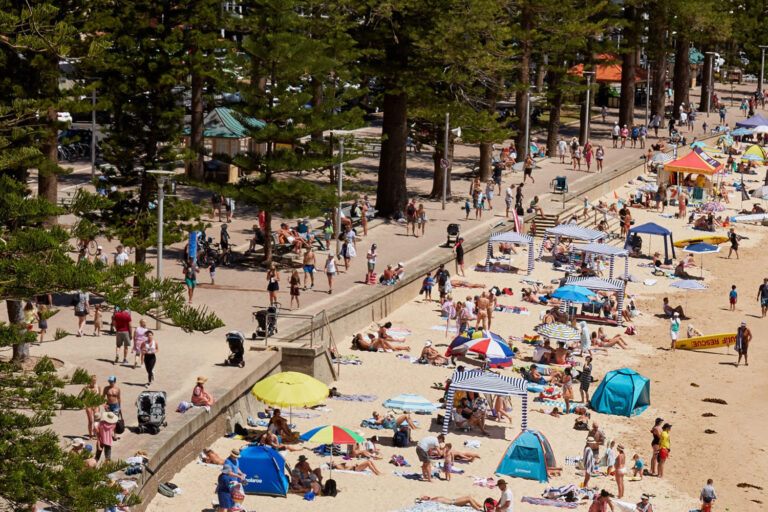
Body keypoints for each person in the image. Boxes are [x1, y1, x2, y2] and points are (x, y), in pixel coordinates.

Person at [84, 375, 101, 439]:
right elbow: (84, 397)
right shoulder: (86, 388)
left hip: (96, 405)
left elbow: (100, 396)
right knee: (90, 421)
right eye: (93, 380)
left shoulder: (98, 386)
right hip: (89, 405)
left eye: (95, 380)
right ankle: (90, 435)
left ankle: (96, 433)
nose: (94, 381)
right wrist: (84, 405)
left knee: (96, 420)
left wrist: (100, 404)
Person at [416, 496, 482, 511]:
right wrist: (420, 500)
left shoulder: (433, 499)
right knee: (469, 499)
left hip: (454, 500)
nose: (426, 496)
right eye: (424, 497)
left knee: (468, 497)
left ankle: (480, 506)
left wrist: (422, 498)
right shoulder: (432, 502)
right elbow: (421, 503)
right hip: (454, 503)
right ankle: (478, 510)